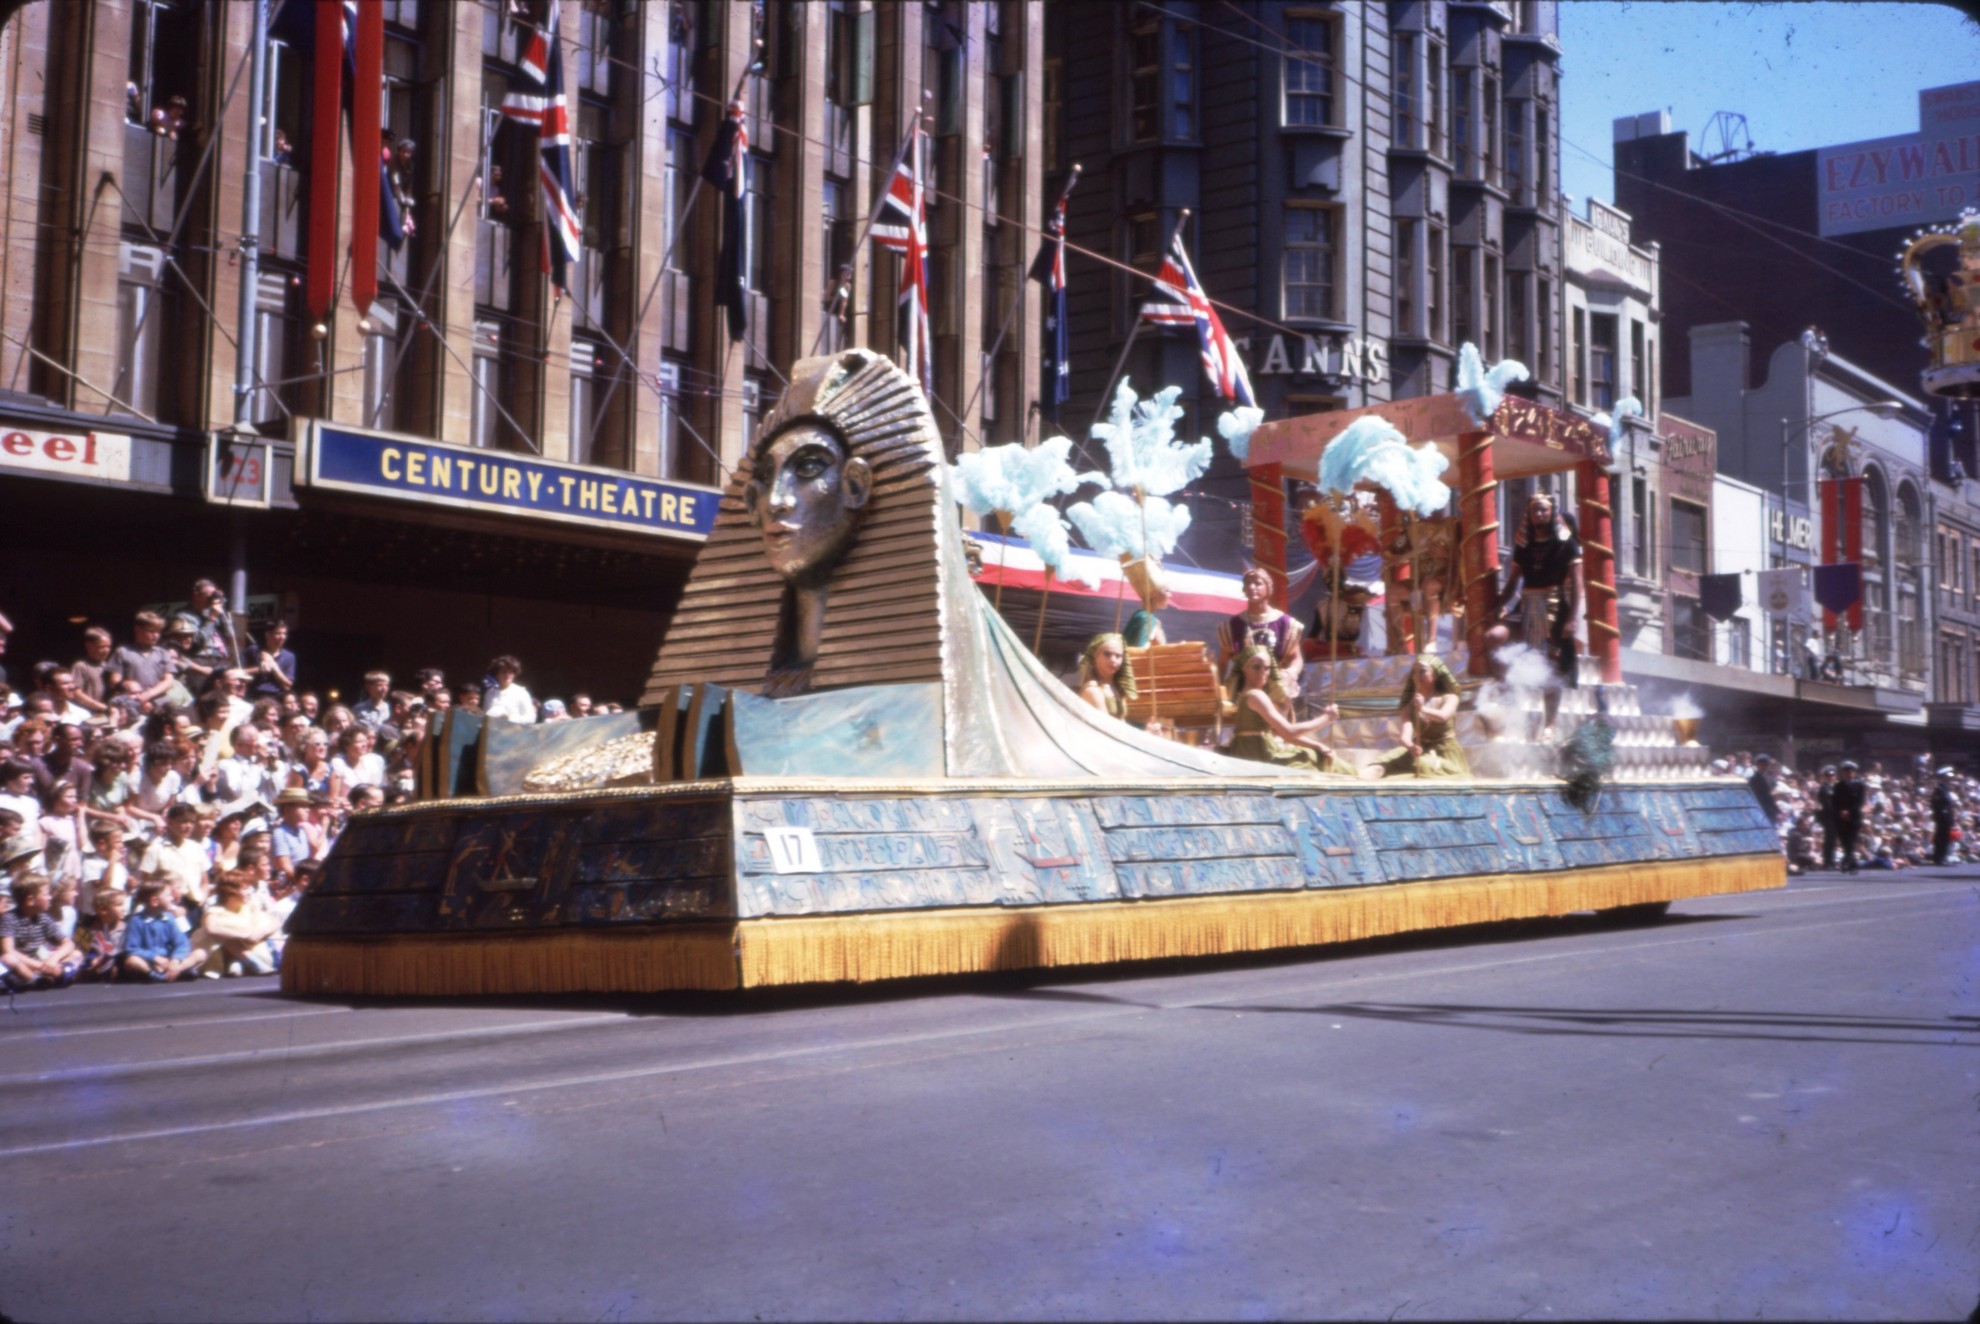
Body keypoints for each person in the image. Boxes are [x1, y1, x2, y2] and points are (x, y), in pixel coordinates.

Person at [1492, 492, 1583, 739]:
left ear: (1551, 512)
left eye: (1543, 510)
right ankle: (1507, 712)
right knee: (1498, 640)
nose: (1539, 514)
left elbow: (1576, 584)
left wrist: (1573, 618)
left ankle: (1549, 725)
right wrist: (1500, 605)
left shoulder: (1568, 544)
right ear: (1529, 515)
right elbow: (1513, 582)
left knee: (1551, 668)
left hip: (1555, 608)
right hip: (1526, 605)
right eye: (1535, 511)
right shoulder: (1524, 545)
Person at [1227, 644, 1345, 774]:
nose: (1263, 673)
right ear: (1244, 668)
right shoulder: (1256, 696)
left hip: (1252, 750)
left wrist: (1318, 745)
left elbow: (1283, 734)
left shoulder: (1249, 695)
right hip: (1257, 754)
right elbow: (1289, 732)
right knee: (1312, 765)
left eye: (1267, 668)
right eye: (1256, 667)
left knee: (1314, 754)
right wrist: (1326, 718)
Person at [1366, 654, 1470, 779]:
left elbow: (1443, 716)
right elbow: (1405, 735)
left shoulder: (1450, 698)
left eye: (1422, 671)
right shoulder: (1410, 705)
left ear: (1436, 675)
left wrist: (1422, 709)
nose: (1417, 676)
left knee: (1424, 764)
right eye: (1414, 672)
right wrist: (1411, 746)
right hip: (1419, 749)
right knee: (1384, 761)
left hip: (1444, 752)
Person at [1217, 567, 1305, 700]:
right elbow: (1223, 663)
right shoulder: (1232, 626)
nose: (1252, 587)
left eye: (1258, 583)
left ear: (1268, 588)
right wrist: (1219, 690)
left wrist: (1291, 673)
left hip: (1277, 691)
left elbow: (1296, 658)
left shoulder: (1285, 624)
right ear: (1244, 590)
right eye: (1248, 584)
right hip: (1243, 694)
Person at [1, 874, 80, 991]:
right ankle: (34, 979)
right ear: (30, 900)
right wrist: (40, 966)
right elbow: (8, 950)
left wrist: (53, 960)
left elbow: (68, 943)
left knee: (76, 954)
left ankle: (51, 976)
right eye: (46, 894)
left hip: (42, 962)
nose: (50, 897)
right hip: (23, 966)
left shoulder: (43, 918)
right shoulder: (9, 918)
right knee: (8, 958)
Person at [119, 880, 203, 982]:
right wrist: (154, 958)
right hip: (149, 962)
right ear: (154, 901)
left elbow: (182, 943)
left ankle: (176, 971)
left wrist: (175, 960)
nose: (172, 898)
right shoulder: (136, 921)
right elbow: (131, 949)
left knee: (200, 953)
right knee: (132, 961)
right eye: (168, 895)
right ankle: (155, 976)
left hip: (169, 960)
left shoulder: (169, 918)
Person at [1076, 633, 1136, 720]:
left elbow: (1121, 723)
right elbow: (1108, 726)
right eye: (1107, 654)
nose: (1113, 660)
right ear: (1095, 656)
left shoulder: (1117, 689)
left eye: (1118, 656)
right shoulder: (1092, 690)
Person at [246, 619, 296, 704]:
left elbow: (288, 685)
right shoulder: (254, 650)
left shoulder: (289, 656)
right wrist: (259, 669)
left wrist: (274, 666)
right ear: (267, 635)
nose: (282, 637)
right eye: (278, 633)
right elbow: (237, 671)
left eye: (284, 633)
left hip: (277, 698)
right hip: (254, 696)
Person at [1831, 760, 1867, 875]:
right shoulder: (1838, 786)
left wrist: (1849, 811)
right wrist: (1841, 811)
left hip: (1854, 817)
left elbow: (1860, 802)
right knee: (1844, 841)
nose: (1847, 774)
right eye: (1845, 772)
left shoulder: (1859, 785)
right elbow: (1834, 801)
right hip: (1840, 817)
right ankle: (1852, 862)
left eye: (1850, 772)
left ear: (1854, 773)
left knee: (1851, 840)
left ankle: (1847, 862)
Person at [482, 655, 536, 724]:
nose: (507, 675)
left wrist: (509, 719)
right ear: (497, 674)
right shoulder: (489, 693)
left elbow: (531, 718)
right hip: (493, 733)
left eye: (510, 672)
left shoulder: (521, 692)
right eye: (503, 672)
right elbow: (485, 717)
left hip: (514, 733)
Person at [1929, 767, 1959, 866]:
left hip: (1946, 817)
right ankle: (1939, 857)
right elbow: (1935, 803)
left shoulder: (1945, 789)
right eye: (1947, 778)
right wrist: (1940, 813)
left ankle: (1942, 856)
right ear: (1942, 778)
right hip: (1942, 817)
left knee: (1945, 837)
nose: (1949, 780)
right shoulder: (1939, 790)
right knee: (1941, 837)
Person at [1815, 766, 1839, 870]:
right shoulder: (1824, 788)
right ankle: (1827, 862)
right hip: (1828, 816)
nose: (1830, 777)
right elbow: (1827, 804)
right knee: (1829, 839)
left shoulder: (1835, 788)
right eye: (1828, 776)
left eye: (1832, 775)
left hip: (1835, 816)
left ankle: (1832, 861)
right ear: (1824, 777)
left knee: (1833, 839)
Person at [1748, 754, 1781, 826]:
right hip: (1760, 807)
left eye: (1765, 764)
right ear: (1757, 765)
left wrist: (1776, 810)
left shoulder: (1771, 778)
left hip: (1770, 808)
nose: (1763, 767)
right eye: (1761, 764)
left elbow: (1774, 791)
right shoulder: (1753, 780)